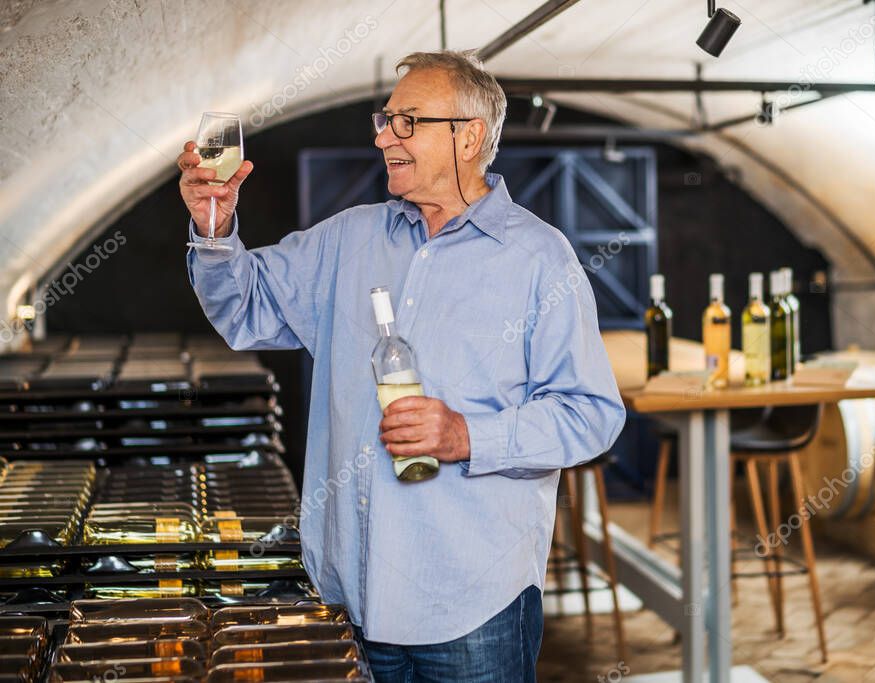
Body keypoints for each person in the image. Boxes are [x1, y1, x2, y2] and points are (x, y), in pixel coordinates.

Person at [178, 50, 625, 682]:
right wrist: (213, 227)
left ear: (468, 136)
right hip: (348, 597)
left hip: (472, 607)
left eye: (407, 121)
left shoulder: (539, 260)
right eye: (384, 120)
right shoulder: (348, 240)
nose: (385, 136)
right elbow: (244, 306)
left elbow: (590, 415)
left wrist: (466, 435)